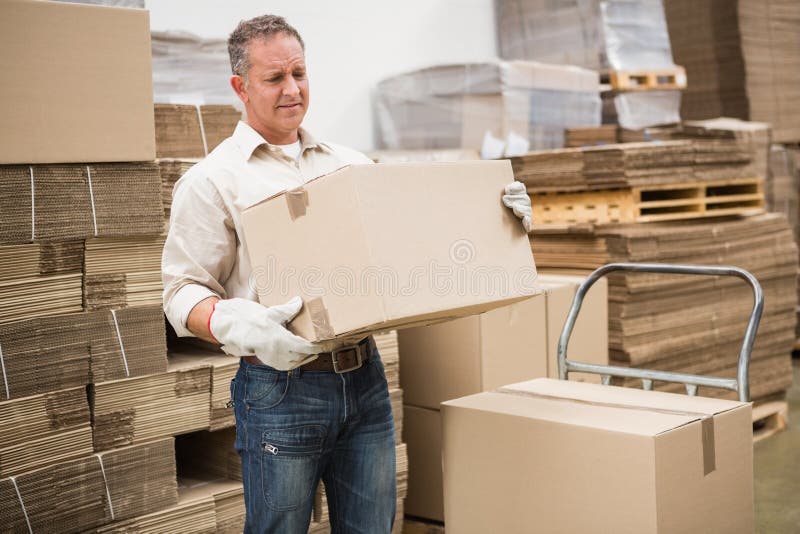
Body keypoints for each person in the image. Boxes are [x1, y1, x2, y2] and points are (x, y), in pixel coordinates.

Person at [161, 14, 532, 534]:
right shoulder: (212, 181)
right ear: (240, 87)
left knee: (373, 527)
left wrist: (496, 218)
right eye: (274, 79)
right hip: (280, 388)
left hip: (365, 378)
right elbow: (180, 293)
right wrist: (236, 323)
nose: (292, 90)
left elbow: (413, 239)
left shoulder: (350, 165)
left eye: (300, 73)